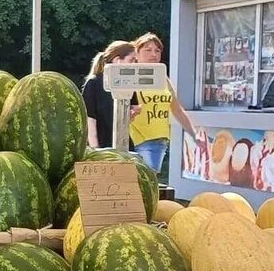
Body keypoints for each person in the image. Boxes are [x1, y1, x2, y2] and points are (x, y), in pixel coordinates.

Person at [130, 32, 196, 173]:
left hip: (161, 139)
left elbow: (177, 109)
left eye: (157, 50)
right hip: (139, 139)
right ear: (136, 53)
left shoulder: (163, 78)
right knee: (145, 183)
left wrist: (194, 134)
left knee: (150, 184)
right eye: (148, 50)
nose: (153, 54)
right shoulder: (131, 76)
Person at [83, 41, 136, 149]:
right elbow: (89, 119)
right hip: (102, 146)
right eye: (131, 61)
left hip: (124, 145)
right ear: (117, 60)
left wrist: (133, 112)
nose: (135, 65)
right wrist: (95, 148)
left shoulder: (129, 83)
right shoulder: (94, 83)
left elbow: (133, 108)